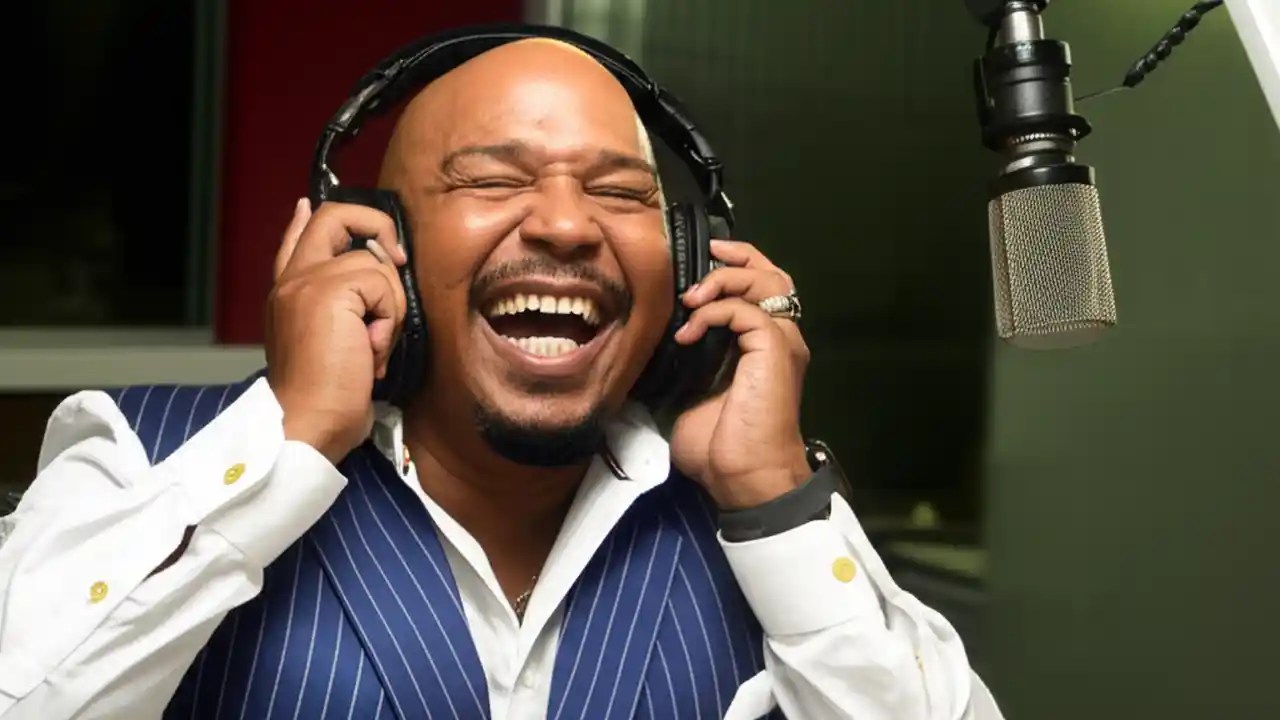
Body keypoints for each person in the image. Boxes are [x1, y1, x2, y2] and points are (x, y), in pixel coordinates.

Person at [0, 28, 1004, 720]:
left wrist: (773, 501)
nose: (566, 225)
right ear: (374, 246)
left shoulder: (754, 516)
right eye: (491, 180)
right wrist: (292, 434)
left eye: (617, 193)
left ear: (692, 265)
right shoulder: (140, 457)